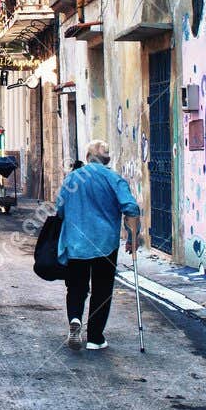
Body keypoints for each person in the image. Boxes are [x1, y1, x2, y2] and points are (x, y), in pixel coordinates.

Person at [55, 139, 141, 350]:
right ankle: (94, 338)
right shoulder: (114, 178)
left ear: (87, 157)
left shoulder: (72, 179)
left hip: (75, 244)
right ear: (108, 159)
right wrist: (133, 237)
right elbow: (130, 207)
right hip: (105, 243)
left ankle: (75, 319)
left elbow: (59, 210)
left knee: (76, 286)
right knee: (102, 289)